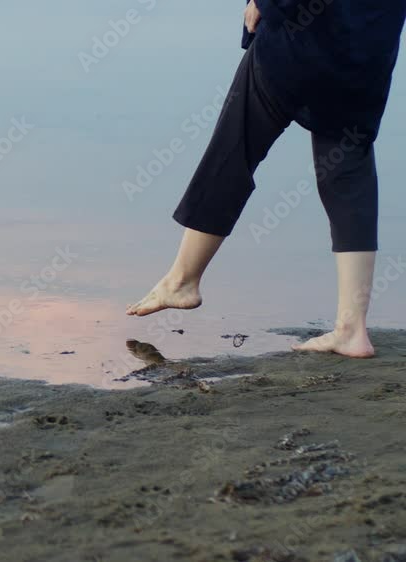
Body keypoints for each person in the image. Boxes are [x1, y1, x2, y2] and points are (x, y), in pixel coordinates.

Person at [126, 0, 406, 358]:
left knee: (235, 145)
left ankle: (182, 280)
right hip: (368, 46)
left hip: (302, 35)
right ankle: (352, 329)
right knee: (349, 171)